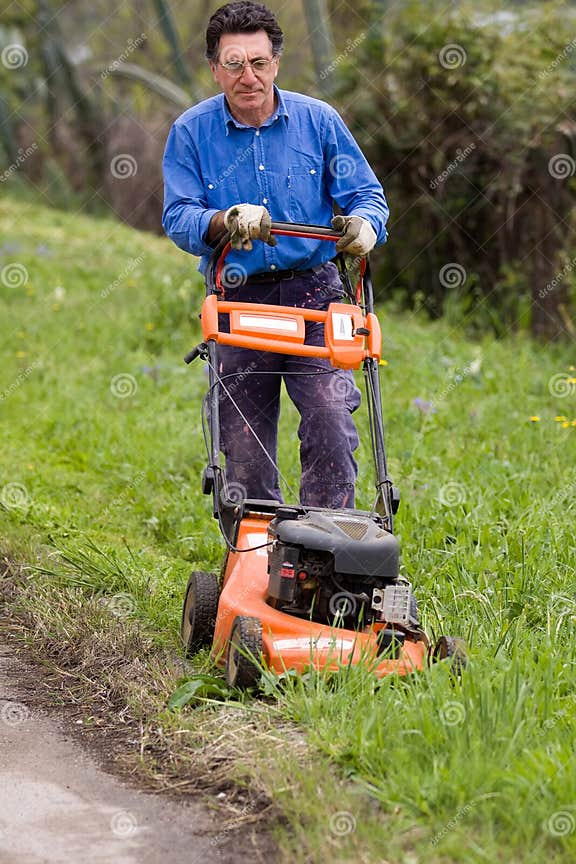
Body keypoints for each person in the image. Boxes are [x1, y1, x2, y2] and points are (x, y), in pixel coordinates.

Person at [162, 1, 389, 509]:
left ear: (276, 63)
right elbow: (179, 217)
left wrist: (365, 225)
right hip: (240, 298)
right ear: (215, 69)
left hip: (316, 294)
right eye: (235, 64)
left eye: (259, 62)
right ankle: (256, 554)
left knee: (331, 419)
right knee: (243, 446)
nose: (249, 76)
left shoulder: (320, 122)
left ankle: (326, 548)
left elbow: (368, 197)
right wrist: (224, 220)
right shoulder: (191, 133)